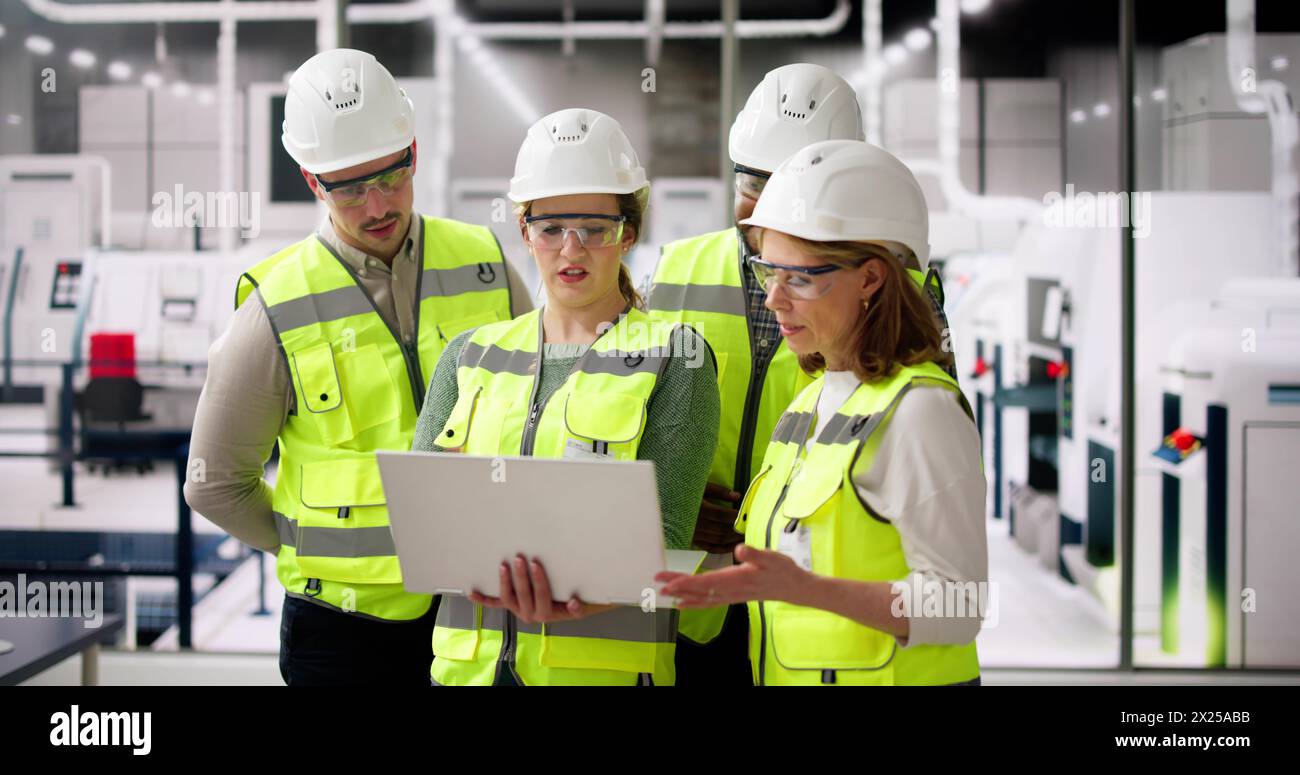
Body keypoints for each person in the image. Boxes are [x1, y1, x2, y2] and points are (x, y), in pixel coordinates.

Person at [184, 48, 530, 686]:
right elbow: (214, 483)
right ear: (312, 181)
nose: (377, 206)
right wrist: (312, 549)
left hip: (477, 617)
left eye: (391, 176)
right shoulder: (275, 305)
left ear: (414, 154)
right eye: (348, 187)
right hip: (341, 636)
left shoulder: (485, 264)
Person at [657, 140, 987, 685]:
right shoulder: (811, 402)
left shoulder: (919, 411)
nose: (773, 299)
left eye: (801, 278)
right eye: (769, 272)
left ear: (871, 278)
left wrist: (806, 591)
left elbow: (961, 606)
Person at [411, 108, 719, 686]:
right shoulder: (468, 355)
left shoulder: (675, 358)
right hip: (466, 673)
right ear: (524, 231)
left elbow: (665, 545)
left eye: (594, 229)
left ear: (628, 232)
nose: (570, 250)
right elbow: (425, 522)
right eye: (551, 228)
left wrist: (558, 598)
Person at [646, 63, 868, 684]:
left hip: (817, 582)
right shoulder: (675, 270)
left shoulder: (888, 291)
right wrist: (671, 504)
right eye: (753, 183)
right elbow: (632, 406)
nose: (767, 207)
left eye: (794, 186)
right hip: (699, 590)